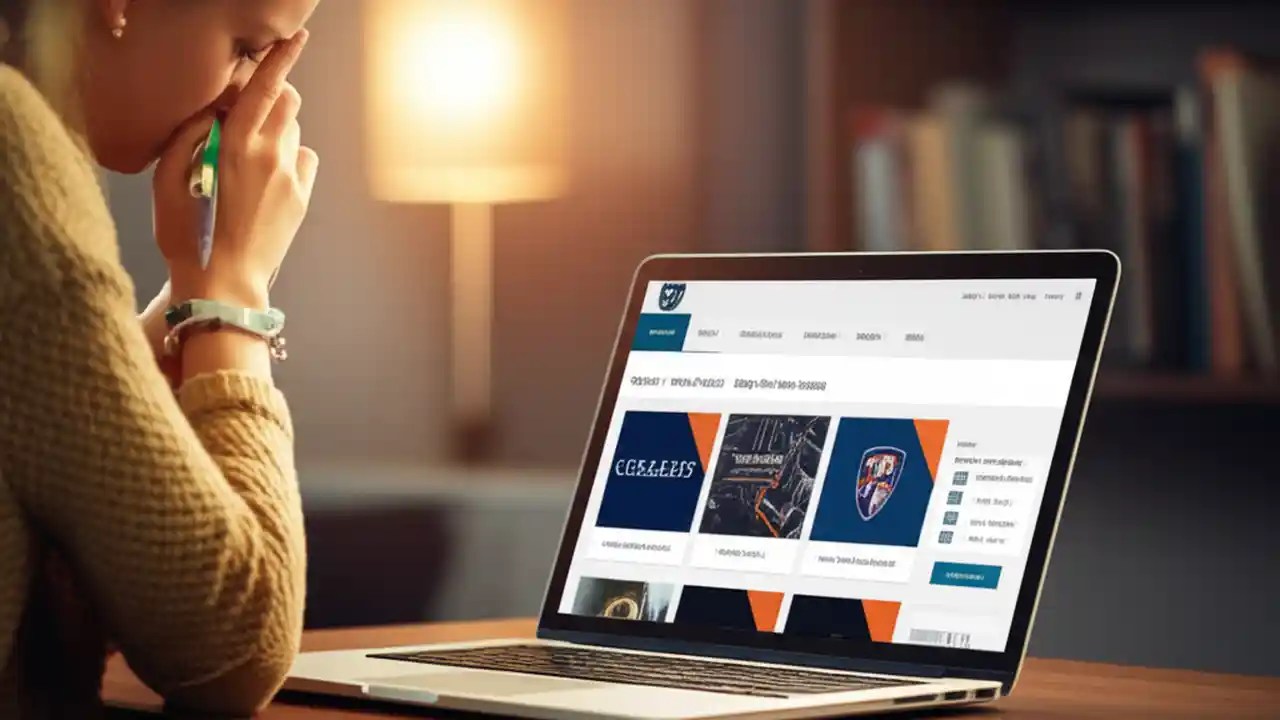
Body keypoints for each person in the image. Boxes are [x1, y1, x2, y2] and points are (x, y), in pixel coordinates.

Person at [0, 0, 320, 715]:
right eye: (245, 47)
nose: (245, 94)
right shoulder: (10, 145)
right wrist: (234, 286)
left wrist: (191, 292)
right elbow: (232, 648)